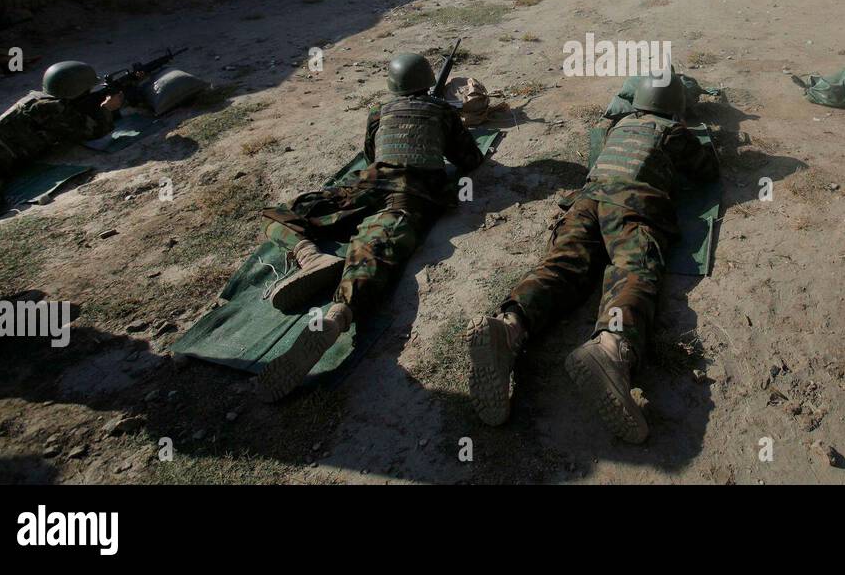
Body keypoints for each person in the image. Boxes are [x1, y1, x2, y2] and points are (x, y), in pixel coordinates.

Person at [466, 74, 718, 443]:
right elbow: (707, 171)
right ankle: (612, 348)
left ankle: (509, 324)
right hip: (632, 206)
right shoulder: (672, 132)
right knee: (633, 269)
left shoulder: (617, 126)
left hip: (585, 202)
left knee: (562, 265)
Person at [256, 52, 486, 402]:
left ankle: (310, 256)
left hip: (367, 186)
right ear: (427, 83)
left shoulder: (380, 111)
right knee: (375, 249)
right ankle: (338, 316)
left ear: (392, 86)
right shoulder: (443, 111)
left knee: (287, 213)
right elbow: (470, 161)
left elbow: (369, 155)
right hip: (410, 195)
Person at [0, 61, 121, 218]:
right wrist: (107, 109)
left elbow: (77, 115)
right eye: (87, 90)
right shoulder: (50, 108)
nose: (89, 92)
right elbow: (93, 131)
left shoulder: (42, 100)